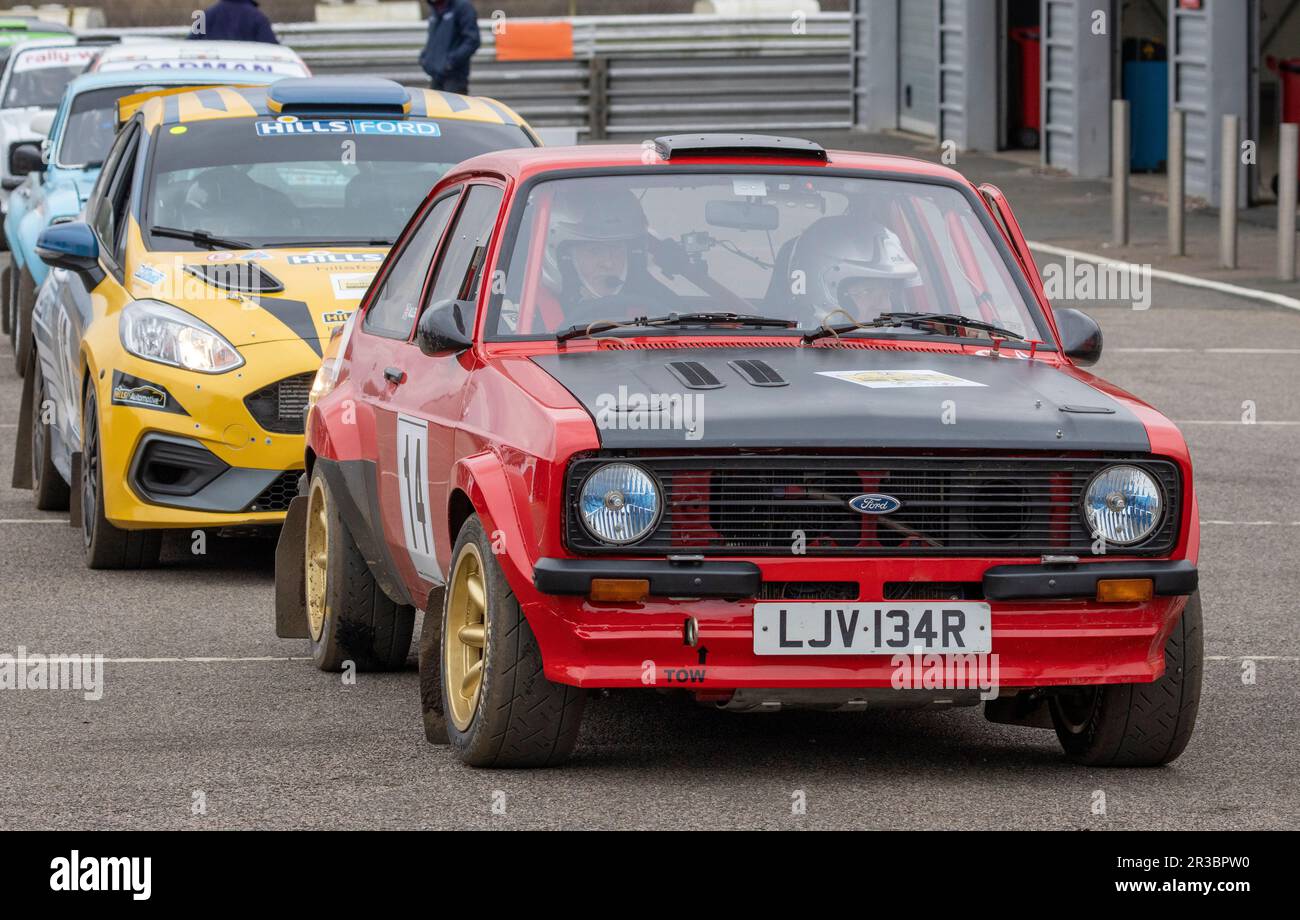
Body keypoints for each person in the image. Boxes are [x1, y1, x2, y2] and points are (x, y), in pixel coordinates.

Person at [540, 188, 679, 327]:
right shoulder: (530, 315)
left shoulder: (651, 295)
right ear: (565, 259)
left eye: (616, 249)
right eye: (595, 251)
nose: (608, 263)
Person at [788, 216, 922, 325]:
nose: (884, 306)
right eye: (867, 291)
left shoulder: (912, 348)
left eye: (888, 292)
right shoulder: (786, 354)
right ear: (819, 290)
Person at [419, 0, 481, 95]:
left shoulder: (463, 7)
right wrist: (425, 59)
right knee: (433, 109)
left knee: (455, 109)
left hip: (455, 78)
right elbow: (434, 39)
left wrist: (450, 63)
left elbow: (472, 41)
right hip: (436, 76)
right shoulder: (435, 8)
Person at [189, 0, 278, 44]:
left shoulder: (207, 15)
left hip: (212, 74)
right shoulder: (258, 18)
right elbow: (273, 50)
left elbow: (189, 45)